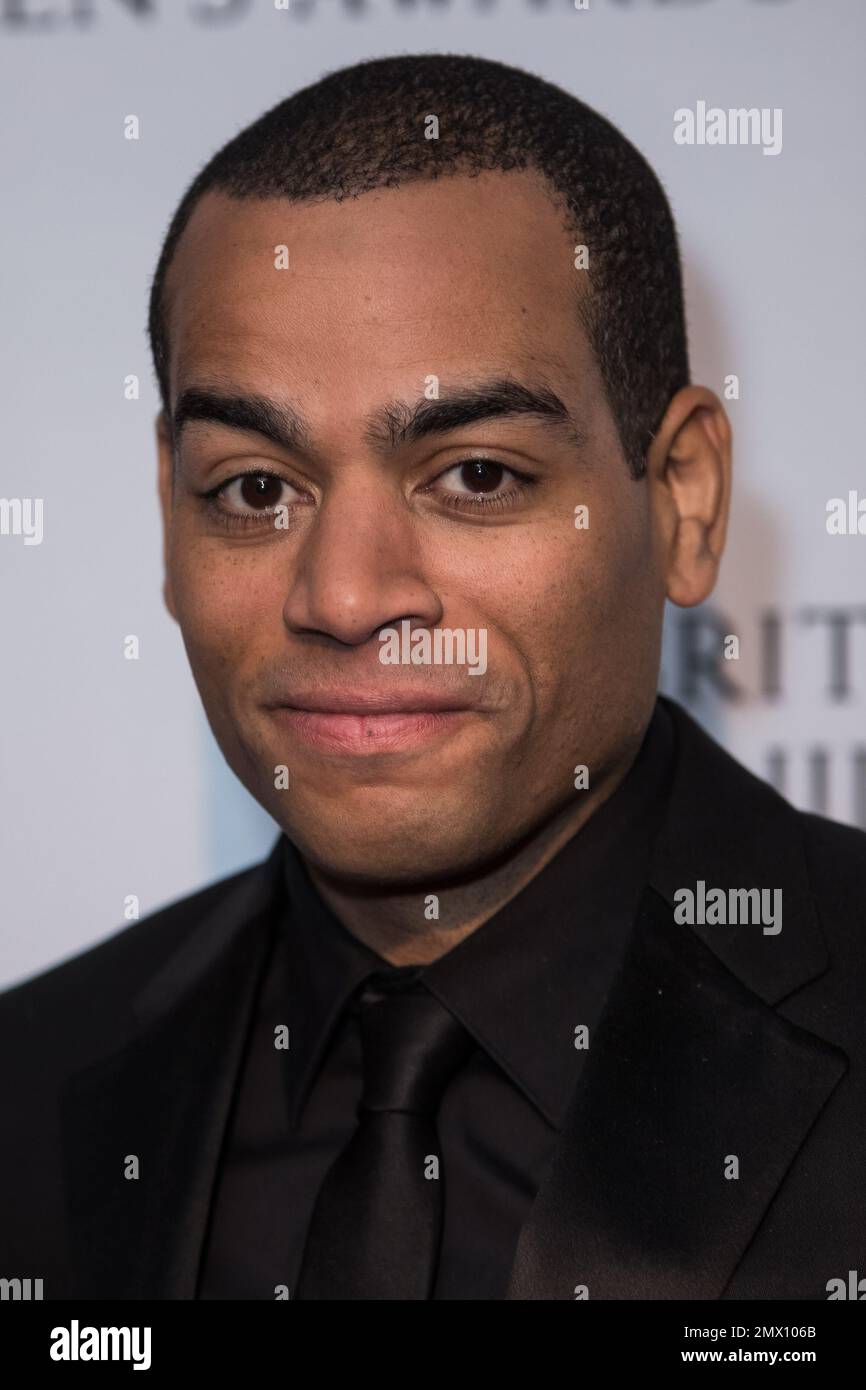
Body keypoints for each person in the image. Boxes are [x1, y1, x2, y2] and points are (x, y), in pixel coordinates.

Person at [1, 53, 863, 1302]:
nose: (345, 598)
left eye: (475, 477)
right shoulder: (31, 1088)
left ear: (681, 498)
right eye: (255, 490)